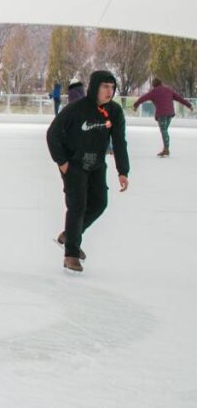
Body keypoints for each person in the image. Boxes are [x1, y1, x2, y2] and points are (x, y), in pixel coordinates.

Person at [46, 70, 130, 273]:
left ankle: (70, 236)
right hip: (74, 164)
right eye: (104, 87)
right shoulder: (76, 109)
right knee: (77, 206)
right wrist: (62, 162)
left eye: (112, 87)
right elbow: (53, 133)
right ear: (94, 88)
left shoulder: (115, 112)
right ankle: (71, 255)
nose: (109, 91)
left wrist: (123, 170)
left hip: (97, 165)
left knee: (100, 203)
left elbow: (119, 141)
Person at [133, 78, 192, 157]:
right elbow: (179, 98)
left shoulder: (153, 92)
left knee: (164, 131)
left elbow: (143, 98)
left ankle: (166, 149)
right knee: (165, 131)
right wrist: (189, 105)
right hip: (170, 114)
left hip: (161, 114)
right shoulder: (168, 90)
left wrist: (136, 105)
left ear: (154, 85)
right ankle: (166, 148)